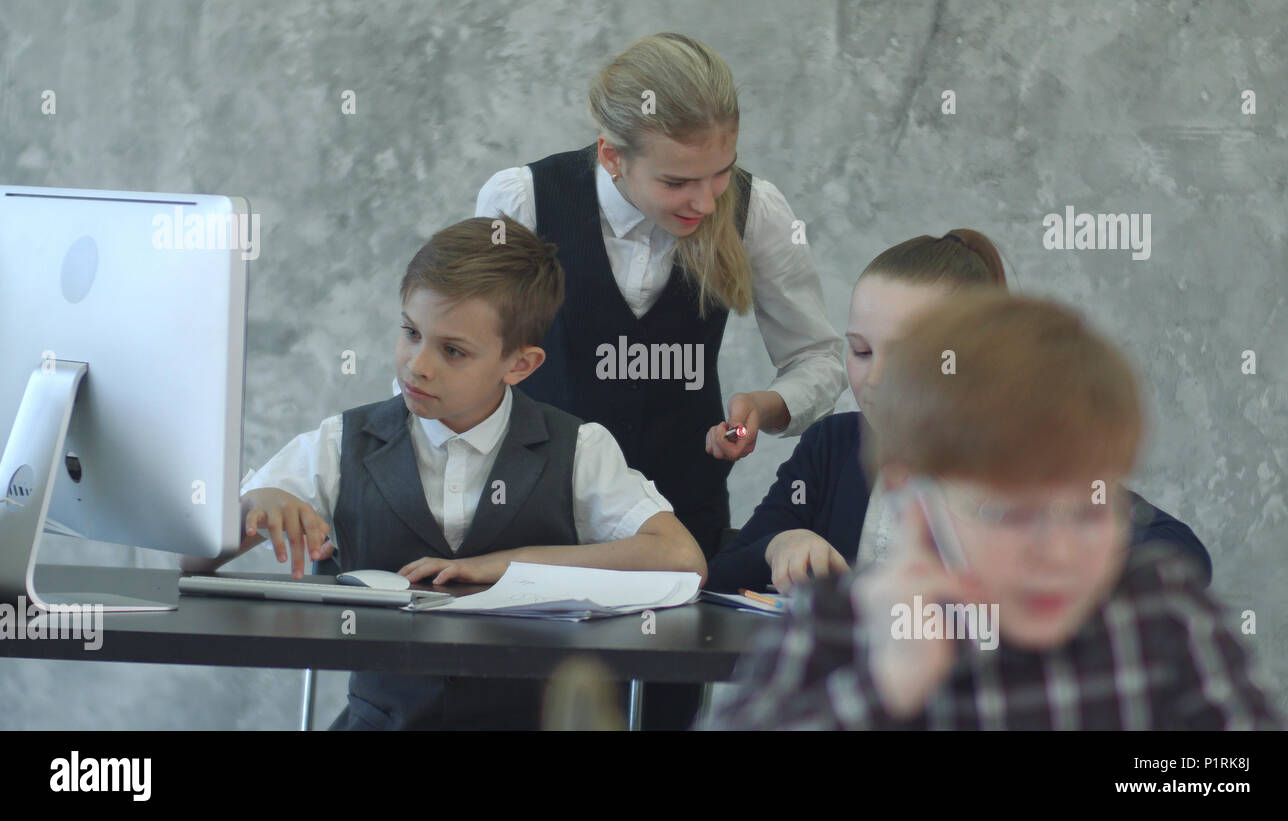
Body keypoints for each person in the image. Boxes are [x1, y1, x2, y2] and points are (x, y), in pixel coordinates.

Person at [186, 216, 705, 730]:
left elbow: (681, 559)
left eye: (452, 350)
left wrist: (511, 565)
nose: (418, 365)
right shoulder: (340, 443)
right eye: (411, 332)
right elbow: (191, 560)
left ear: (519, 365)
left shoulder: (578, 450)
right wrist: (255, 506)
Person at [699, 291, 1280, 730]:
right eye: (1012, 515)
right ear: (918, 505)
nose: (1057, 552)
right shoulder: (835, 630)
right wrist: (883, 688)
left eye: (1088, 511)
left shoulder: (1159, 613)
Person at [474, 32, 845, 560]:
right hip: (534, 523)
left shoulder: (757, 209)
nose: (706, 203)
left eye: (720, 174)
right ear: (612, 156)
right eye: (677, 182)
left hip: (684, 530)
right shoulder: (521, 200)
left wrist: (767, 406)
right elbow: (461, 351)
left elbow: (817, 357)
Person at [707, 230, 1211, 593]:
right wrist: (782, 544)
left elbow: (1180, 557)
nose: (875, 378)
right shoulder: (832, 447)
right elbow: (723, 573)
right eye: (861, 352)